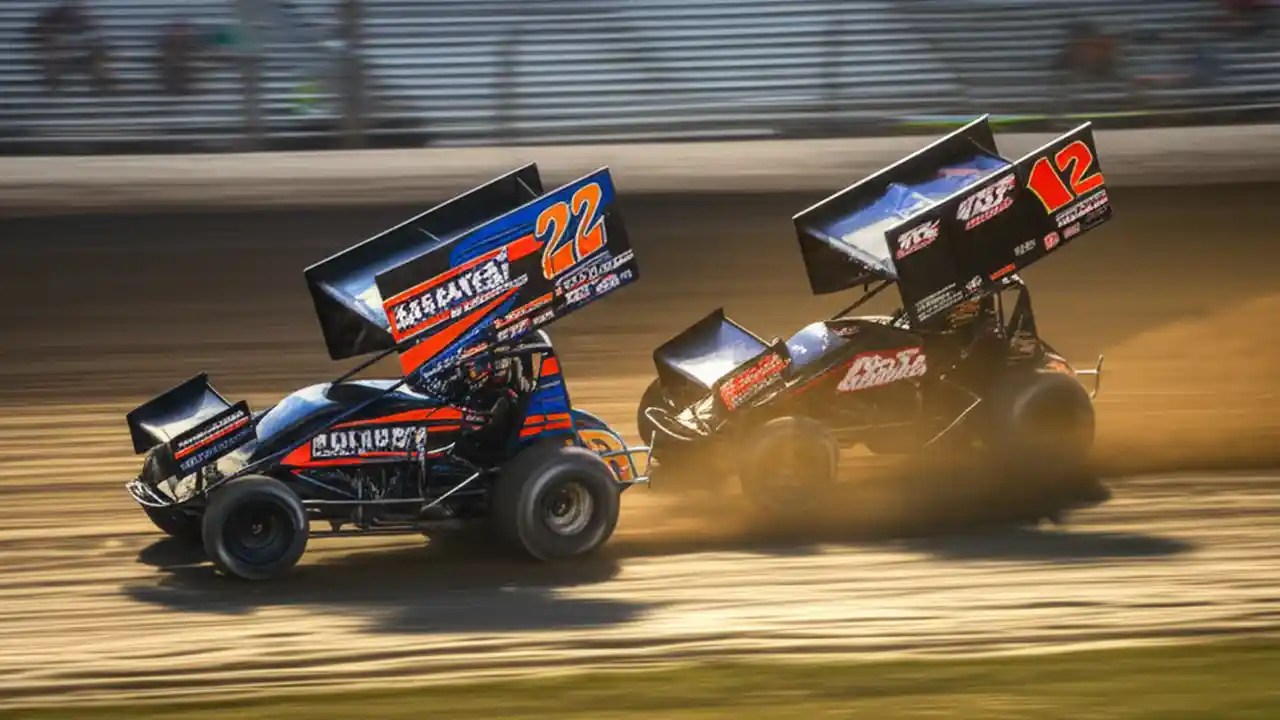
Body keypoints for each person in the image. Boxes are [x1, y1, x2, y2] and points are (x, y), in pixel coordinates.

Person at [29, 0, 112, 93]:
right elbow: (37, 38)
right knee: (52, 67)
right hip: (58, 57)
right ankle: (50, 94)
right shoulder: (52, 16)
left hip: (83, 56)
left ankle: (107, 93)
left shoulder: (85, 18)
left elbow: (98, 39)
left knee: (99, 67)